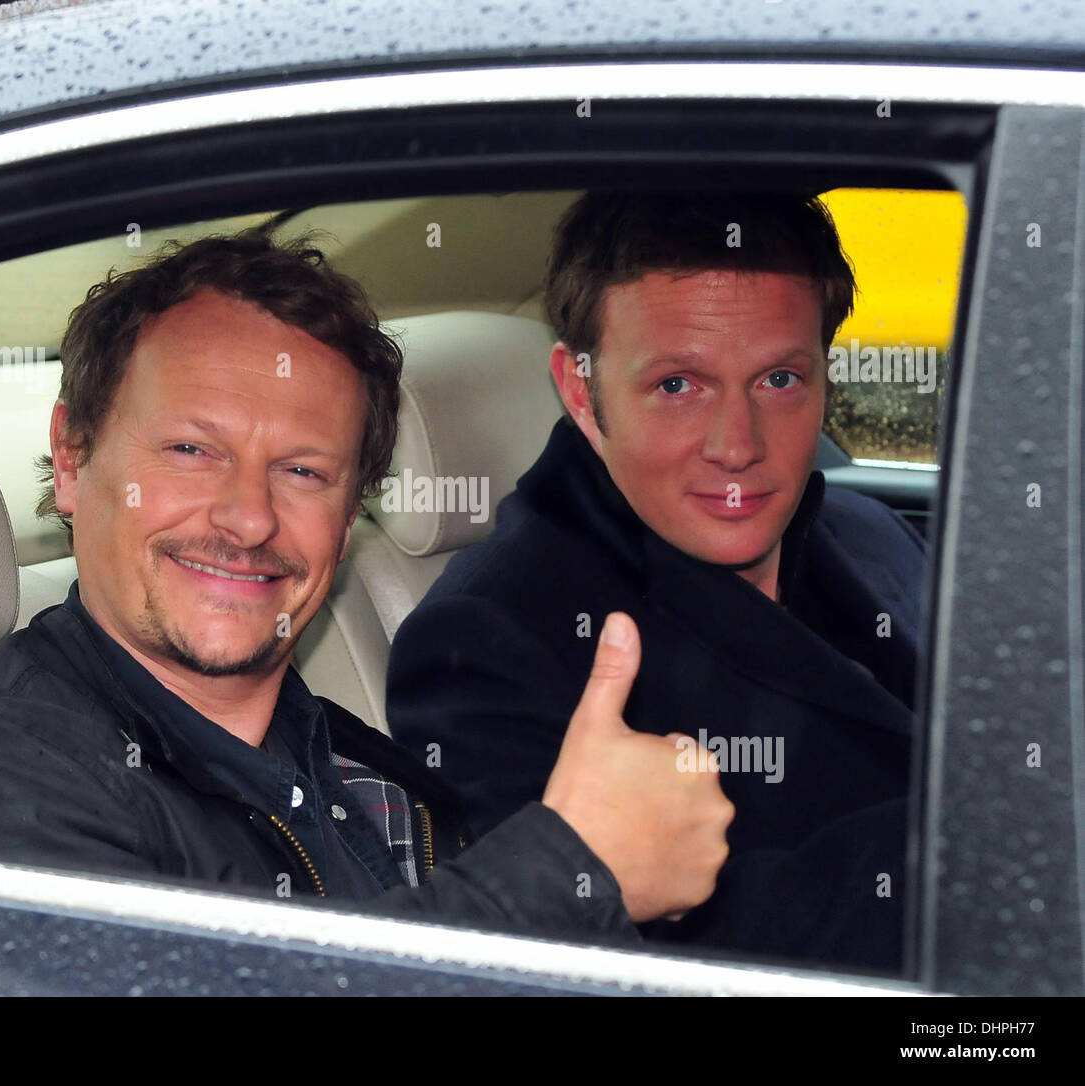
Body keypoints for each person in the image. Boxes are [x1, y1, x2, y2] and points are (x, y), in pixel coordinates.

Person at [0, 230, 734, 943]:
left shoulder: (333, 746)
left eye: (305, 471)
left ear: (352, 512)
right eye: (192, 450)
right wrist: (567, 872)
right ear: (75, 457)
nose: (248, 518)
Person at [386, 191, 927, 971]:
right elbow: (607, 964)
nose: (737, 446)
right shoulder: (486, 643)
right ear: (581, 393)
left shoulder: (870, 530)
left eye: (779, 379)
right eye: (678, 385)